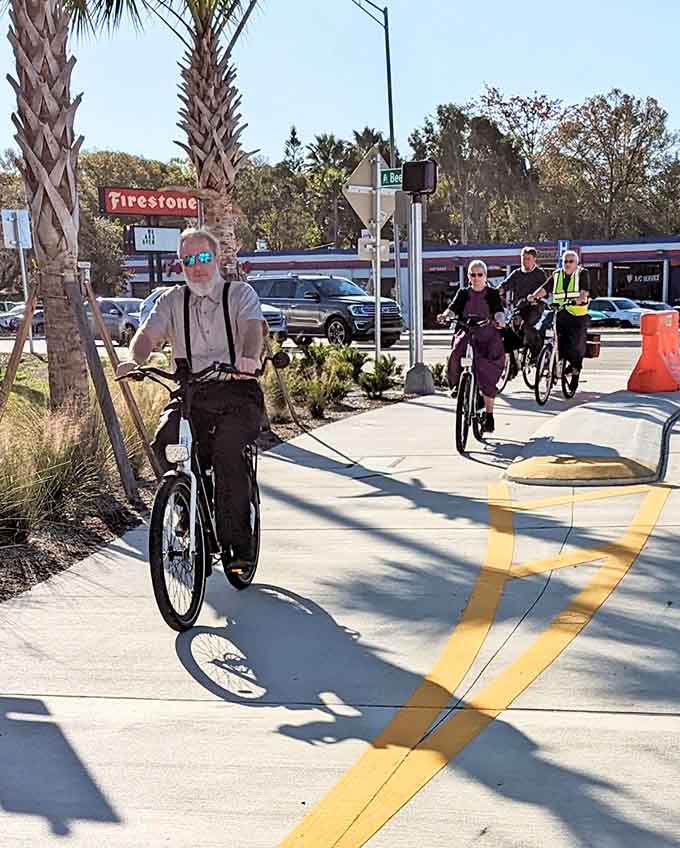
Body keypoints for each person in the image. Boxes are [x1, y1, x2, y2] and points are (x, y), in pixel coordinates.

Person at [116, 227, 267, 567]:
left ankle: (238, 547)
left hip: (237, 390)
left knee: (228, 453)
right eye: (188, 261)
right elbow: (147, 333)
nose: (197, 267)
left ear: (216, 259)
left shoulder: (239, 294)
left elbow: (251, 328)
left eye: (203, 258)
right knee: (165, 441)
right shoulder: (171, 300)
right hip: (191, 393)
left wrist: (248, 358)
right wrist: (134, 359)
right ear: (180, 265)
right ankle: (186, 503)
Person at [437, 260, 506, 434]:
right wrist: (445, 316)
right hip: (467, 331)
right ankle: (456, 386)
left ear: (485, 276)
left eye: (479, 275)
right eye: (472, 274)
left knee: (487, 374)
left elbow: (498, 311)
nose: (476, 278)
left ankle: (489, 415)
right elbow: (452, 309)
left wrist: (500, 320)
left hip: (487, 334)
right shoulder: (463, 293)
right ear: (468, 276)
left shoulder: (492, 293)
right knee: (456, 351)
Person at [529, 249, 590, 374]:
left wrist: (579, 299)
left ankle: (575, 368)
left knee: (575, 344)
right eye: (565, 261)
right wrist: (533, 296)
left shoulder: (582, 273)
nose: (567, 264)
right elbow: (545, 288)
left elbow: (584, 293)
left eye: (570, 261)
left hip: (577, 314)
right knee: (543, 329)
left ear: (576, 263)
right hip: (560, 311)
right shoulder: (557, 275)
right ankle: (545, 358)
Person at [500, 246, 548, 373]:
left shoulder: (539, 273)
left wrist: (536, 297)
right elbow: (505, 285)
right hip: (520, 307)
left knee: (527, 326)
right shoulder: (516, 274)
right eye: (523, 258)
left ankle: (535, 354)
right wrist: (496, 292)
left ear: (534, 260)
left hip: (535, 307)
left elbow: (546, 290)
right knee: (511, 329)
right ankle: (513, 364)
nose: (524, 261)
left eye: (528, 259)